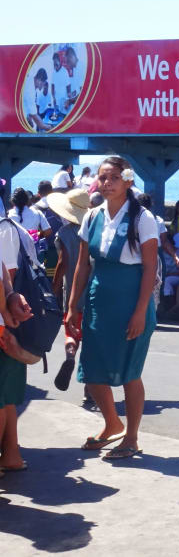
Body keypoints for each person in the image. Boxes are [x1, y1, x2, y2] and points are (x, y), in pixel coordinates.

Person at [65, 156, 159, 461]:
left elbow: (149, 270)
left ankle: (131, 437)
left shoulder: (142, 218)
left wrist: (140, 311)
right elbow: (81, 266)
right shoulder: (91, 217)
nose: (106, 184)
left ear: (128, 181)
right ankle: (111, 424)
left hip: (131, 300)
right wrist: (71, 306)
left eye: (113, 178)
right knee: (92, 368)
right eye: (103, 178)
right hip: (98, 299)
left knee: (130, 371)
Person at [0, 180, 35, 476]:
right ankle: (10, 453)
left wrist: (6, 310)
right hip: (6, 321)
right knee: (4, 395)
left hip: (5, 323)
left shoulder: (5, 228)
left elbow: (4, 278)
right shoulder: (9, 227)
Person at [49, 188, 92, 390]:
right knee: (91, 340)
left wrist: (54, 288)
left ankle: (70, 356)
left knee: (71, 333)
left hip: (72, 292)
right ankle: (89, 389)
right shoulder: (94, 231)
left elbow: (62, 263)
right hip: (92, 292)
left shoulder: (64, 233)